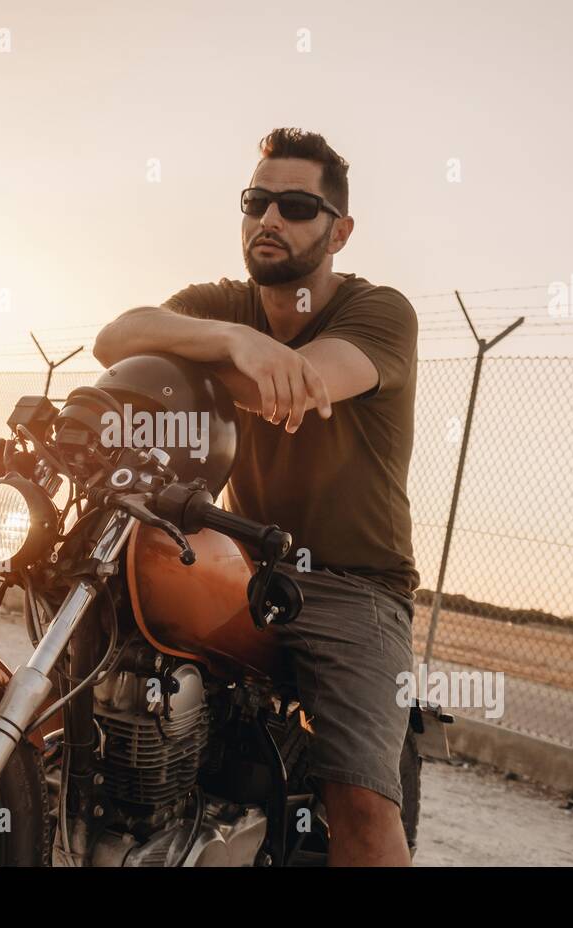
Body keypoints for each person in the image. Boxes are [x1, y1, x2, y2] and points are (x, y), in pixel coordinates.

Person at [93, 127, 420, 866]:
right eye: (257, 200)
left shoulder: (381, 312)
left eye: (297, 206)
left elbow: (300, 389)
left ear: (340, 231)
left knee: (364, 806)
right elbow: (119, 336)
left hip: (354, 586)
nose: (271, 219)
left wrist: (210, 356)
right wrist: (235, 341)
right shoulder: (224, 306)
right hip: (242, 556)